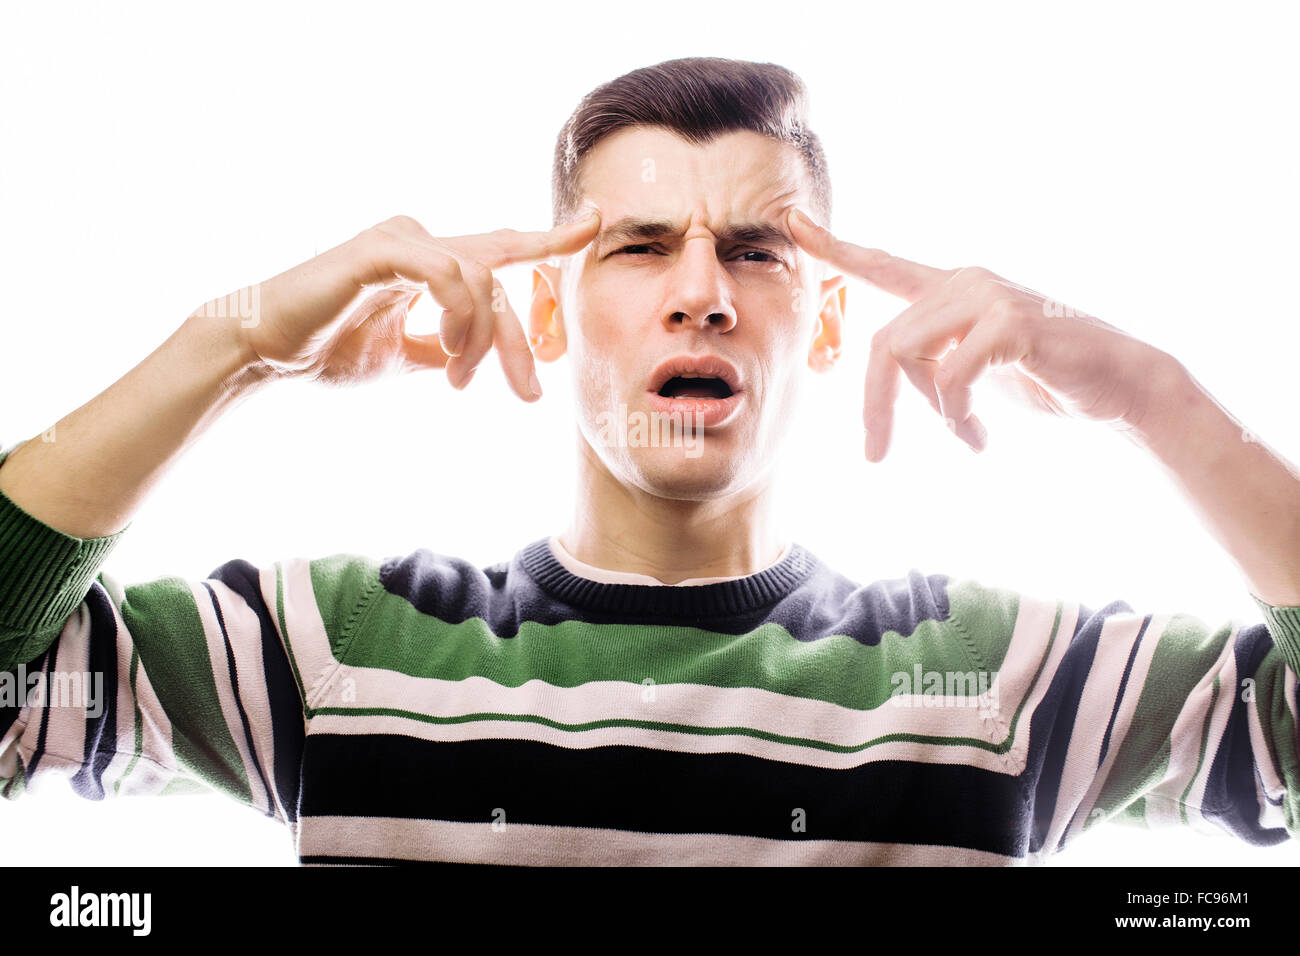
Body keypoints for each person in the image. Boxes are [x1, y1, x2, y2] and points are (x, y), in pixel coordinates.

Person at [1, 56, 1297, 866]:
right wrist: (225, 348)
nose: (702, 295)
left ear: (828, 317)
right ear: (551, 307)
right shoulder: (328, 646)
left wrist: (1156, 396)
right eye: (638, 247)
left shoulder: (1006, 683)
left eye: (756, 249)